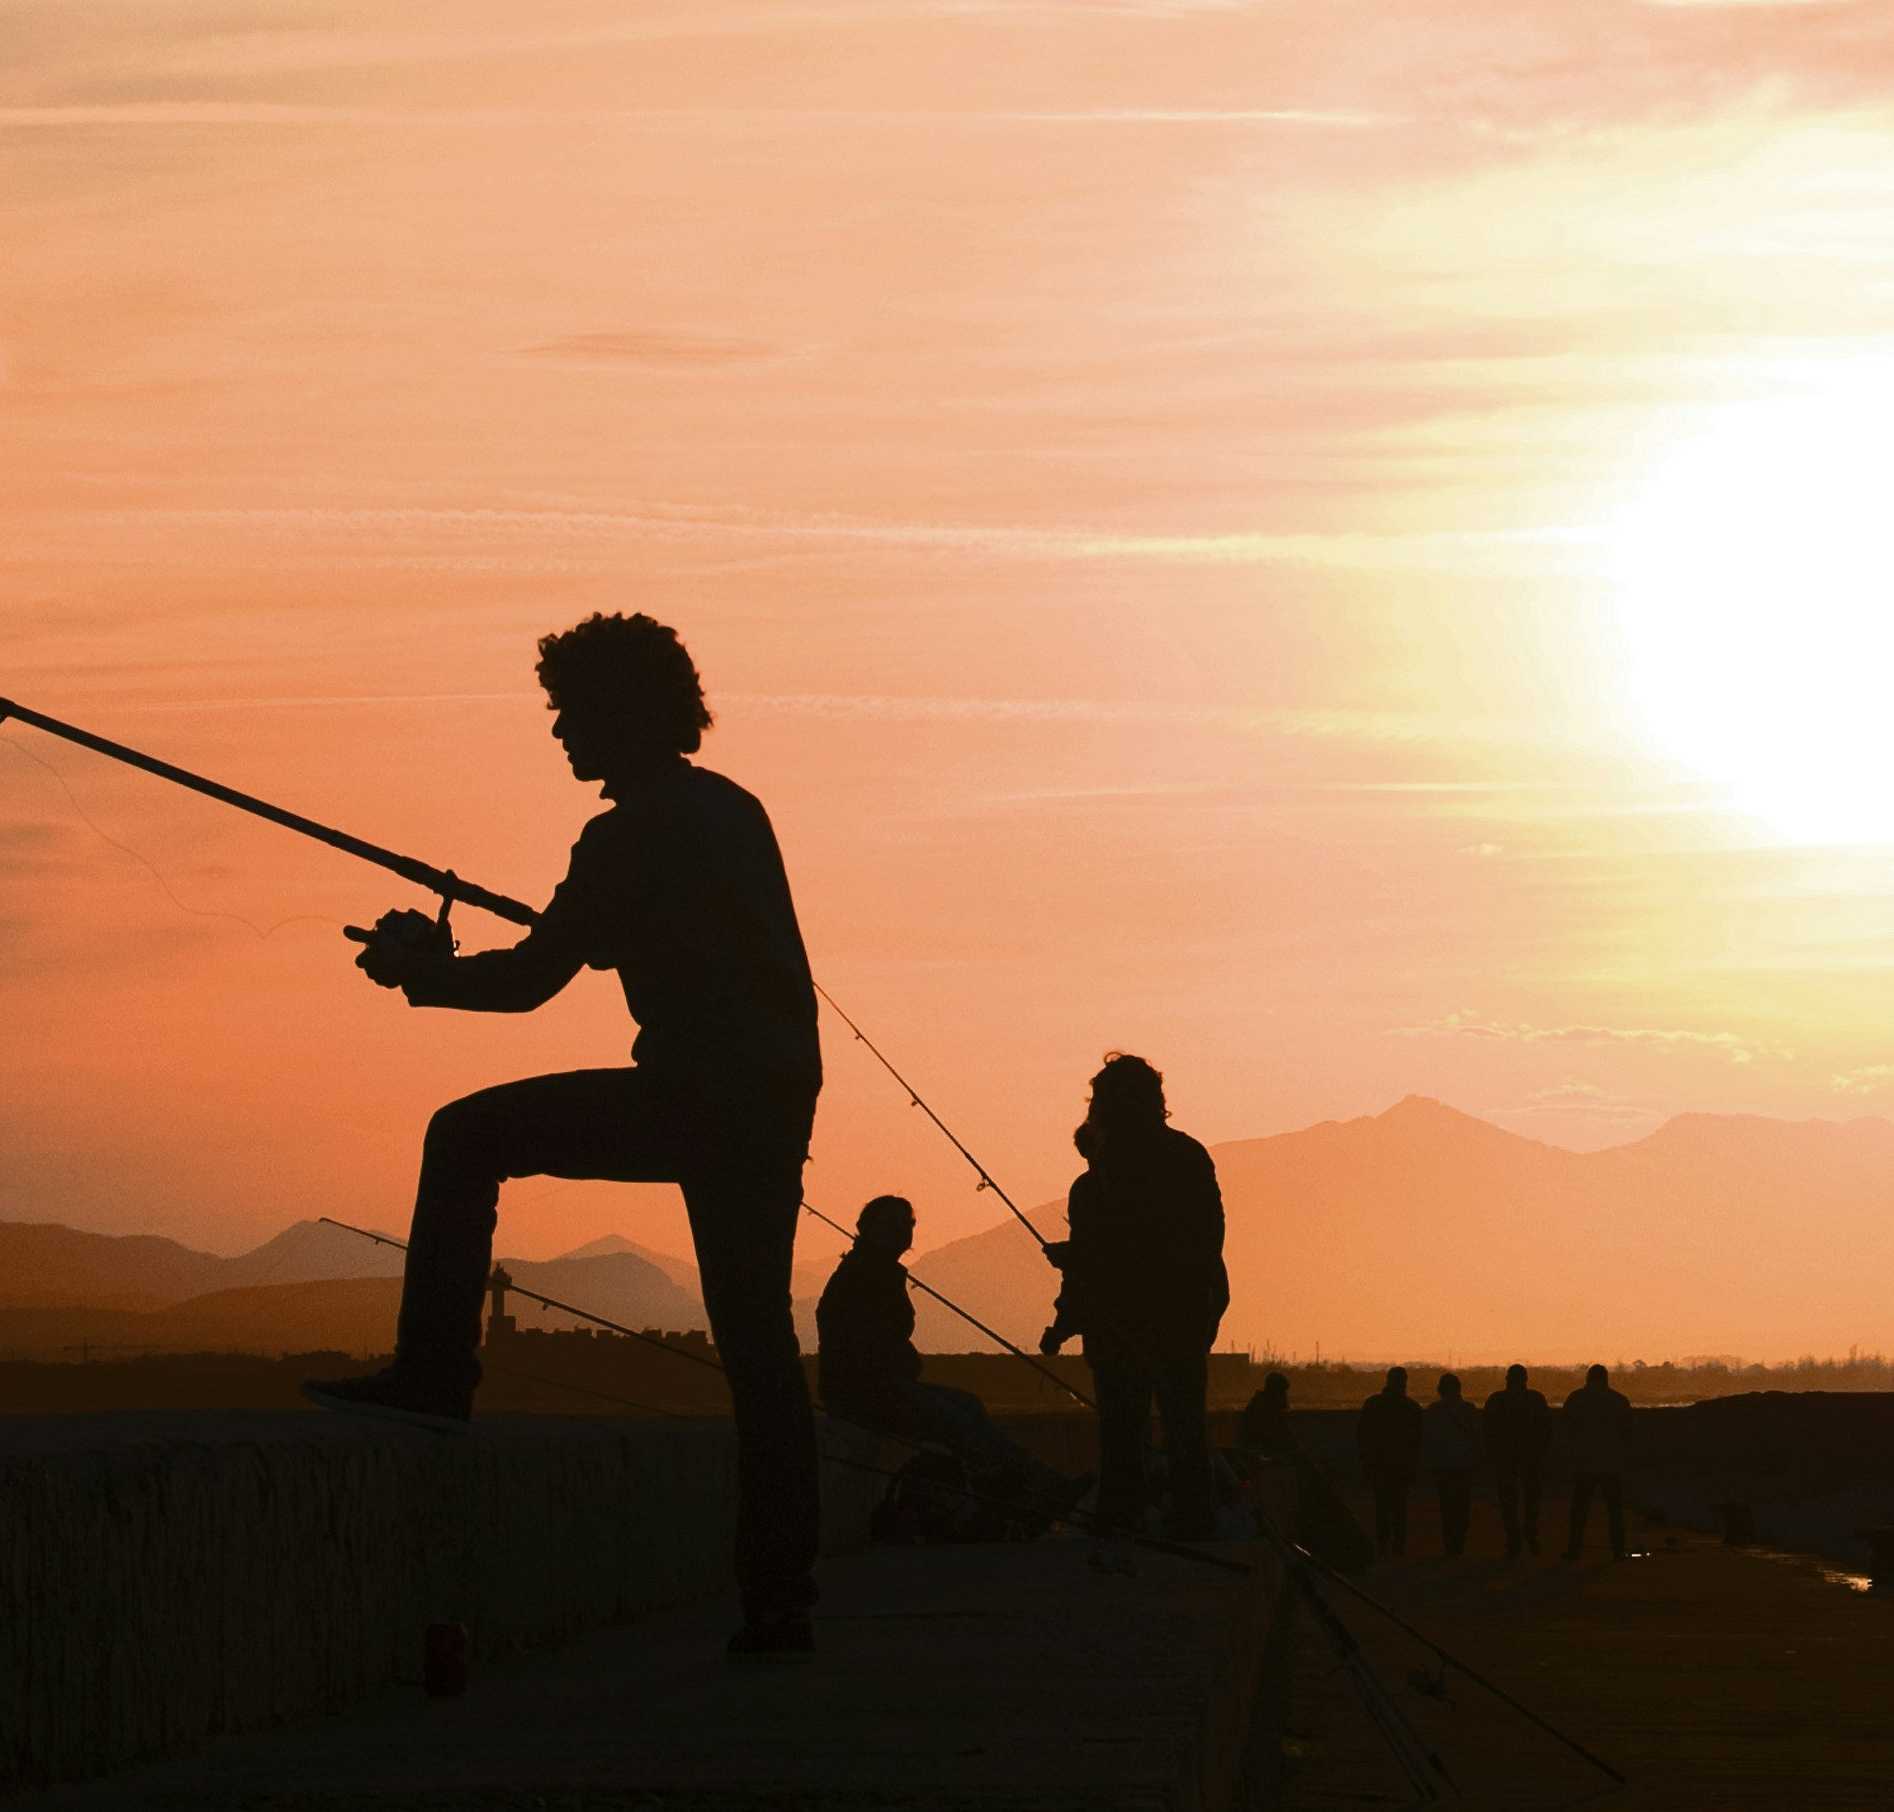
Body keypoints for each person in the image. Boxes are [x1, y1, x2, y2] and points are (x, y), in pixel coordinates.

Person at [314, 613, 827, 1658]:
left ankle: (434, 1380)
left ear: (621, 713)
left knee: (463, 1135)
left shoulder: (627, 830)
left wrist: (419, 973)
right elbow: (637, 938)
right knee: (759, 1343)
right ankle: (779, 1603)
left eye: (568, 711)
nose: (556, 731)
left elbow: (533, 980)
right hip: (776, 1097)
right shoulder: (732, 809)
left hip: (694, 1093)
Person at [1041, 1053, 1229, 1537]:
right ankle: (1194, 1519)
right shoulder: (1188, 1158)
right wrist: (1205, 1307)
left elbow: (1095, 1259)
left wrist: (1074, 1278)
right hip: (1181, 1316)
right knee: (1184, 1424)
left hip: (1117, 1321)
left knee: (1122, 1430)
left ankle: (1121, 1519)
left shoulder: (1094, 1183)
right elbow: (1207, 1242)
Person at [811, 1193, 1068, 1532]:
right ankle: (1022, 1486)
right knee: (957, 1418)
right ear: (866, 1229)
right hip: (867, 1391)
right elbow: (866, 1344)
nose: (901, 1231)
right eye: (890, 1223)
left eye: (907, 1223)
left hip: (886, 1384)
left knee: (968, 1405)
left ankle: (1031, 1480)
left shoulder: (879, 1272)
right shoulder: (862, 1275)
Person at [1560, 1364, 1636, 1559]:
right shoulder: (1618, 1401)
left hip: (1584, 1462)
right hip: (1610, 1463)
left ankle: (1574, 1549)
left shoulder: (1576, 1399)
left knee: (1579, 1511)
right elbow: (1628, 1433)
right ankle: (1618, 1550)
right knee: (1614, 1512)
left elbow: (1565, 1430)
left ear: (1587, 1378)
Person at [1352, 1367, 1425, 1555]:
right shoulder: (1411, 1407)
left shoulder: (1374, 1404)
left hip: (1379, 1463)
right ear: (1405, 1382)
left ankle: (1383, 1541)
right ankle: (1399, 1544)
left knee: (1382, 1504)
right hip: (1402, 1464)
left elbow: (1362, 1434)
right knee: (1399, 1505)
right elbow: (1418, 1439)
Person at [1485, 1362, 1554, 1558]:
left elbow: (1488, 1432)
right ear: (1526, 1380)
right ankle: (1530, 1528)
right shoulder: (1536, 1400)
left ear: (1507, 1380)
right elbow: (1546, 1431)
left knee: (1508, 1501)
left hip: (1505, 1459)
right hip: (1530, 1458)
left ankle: (1513, 1537)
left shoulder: (1497, 1401)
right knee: (1532, 1498)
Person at [1423, 1371, 1482, 1557]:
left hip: (1441, 1463)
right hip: (1464, 1464)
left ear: (1440, 1390)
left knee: (1446, 1507)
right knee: (1462, 1506)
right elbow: (1477, 1437)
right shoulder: (1469, 1409)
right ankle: (1459, 1544)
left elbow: (1426, 1437)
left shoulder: (1433, 1411)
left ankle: (1450, 1544)